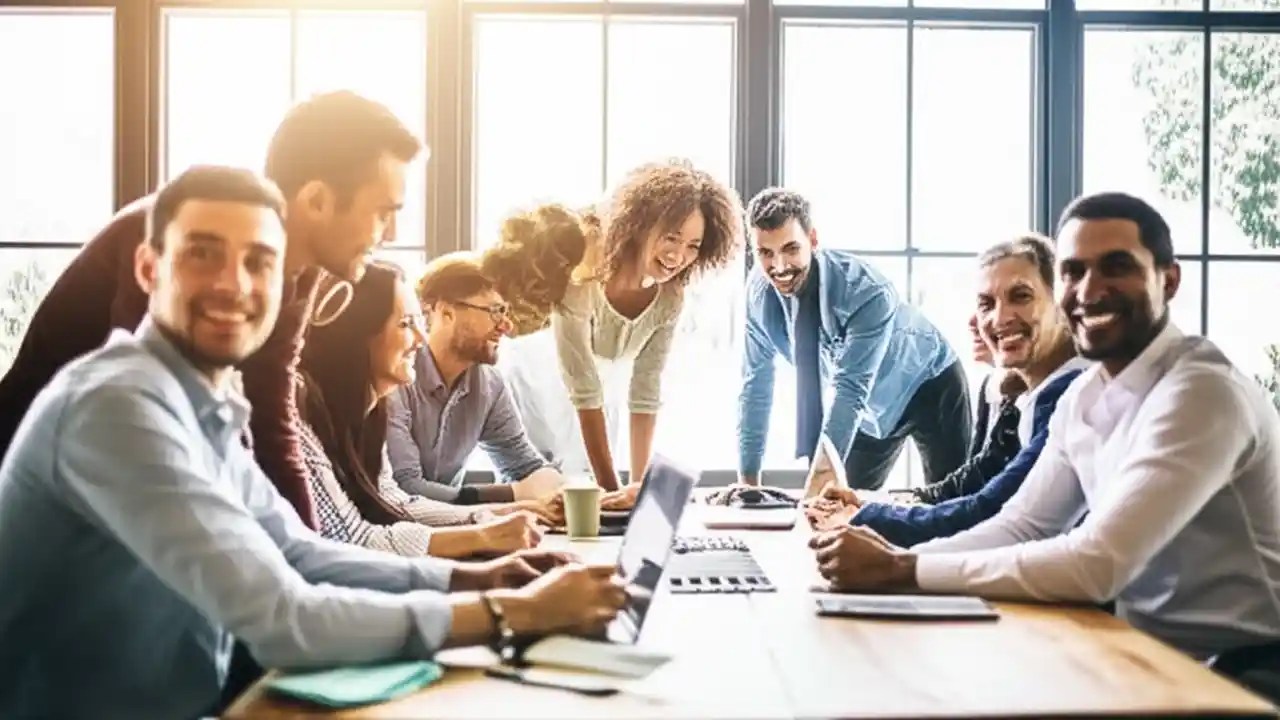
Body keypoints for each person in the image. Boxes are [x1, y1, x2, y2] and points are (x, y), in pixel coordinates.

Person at [0, 166, 626, 719]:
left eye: (259, 262)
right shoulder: (118, 405)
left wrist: (481, 581)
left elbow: (297, 551)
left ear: (286, 284)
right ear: (147, 268)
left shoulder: (204, 403)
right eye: (202, 254)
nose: (234, 284)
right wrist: (515, 612)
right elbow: (284, 619)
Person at [809, 192, 1280, 701]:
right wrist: (892, 561)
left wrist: (904, 569)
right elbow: (1022, 525)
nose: (1089, 290)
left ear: (1168, 279)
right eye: (1073, 272)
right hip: (1143, 655)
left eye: (1115, 267)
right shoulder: (1085, 395)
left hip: (1243, 673)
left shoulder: (1201, 392)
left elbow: (1098, 564)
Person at [0, 90, 423, 529]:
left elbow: (272, 423)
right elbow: (145, 420)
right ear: (316, 201)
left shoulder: (297, 273)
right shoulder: (182, 241)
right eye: (382, 212)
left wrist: (303, 553)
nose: (390, 233)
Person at [484, 160, 744, 508]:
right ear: (640, 225)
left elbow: (645, 390)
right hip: (542, 377)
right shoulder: (585, 277)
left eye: (693, 245)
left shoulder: (669, 298)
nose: (678, 255)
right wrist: (611, 490)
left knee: (601, 491)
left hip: (599, 385)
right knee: (552, 487)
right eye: (671, 237)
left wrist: (638, 489)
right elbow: (582, 386)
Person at [806, 234, 1090, 547]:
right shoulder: (1035, 395)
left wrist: (865, 520)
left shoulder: (1073, 395)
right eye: (986, 304)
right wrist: (867, 506)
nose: (1000, 318)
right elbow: (977, 482)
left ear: (1062, 301)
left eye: (1021, 296)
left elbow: (989, 512)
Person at [298, 260, 550, 559]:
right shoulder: (305, 418)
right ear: (356, 336)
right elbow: (354, 537)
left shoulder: (369, 413)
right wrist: (481, 533)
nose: (420, 340)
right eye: (406, 324)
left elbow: (394, 501)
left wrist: (491, 515)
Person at [738, 188, 969, 491]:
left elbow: (850, 388)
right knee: (841, 512)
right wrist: (748, 482)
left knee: (950, 510)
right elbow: (755, 384)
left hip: (931, 386)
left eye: (791, 249)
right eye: (765, 253)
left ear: (814, 240)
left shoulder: (868, 292)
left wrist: (818, 483)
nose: (779, 267)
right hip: (869, 412)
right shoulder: (758, 297)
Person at [386, 253, 566, 507]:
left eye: (505, 311)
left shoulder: (489, 385)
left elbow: (525, 466)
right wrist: (514, 494)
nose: (506, 325)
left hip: (453, 530)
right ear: (445, 312)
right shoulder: (395, 377)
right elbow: (404, 487)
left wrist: (567, 491)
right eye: (494, 311)